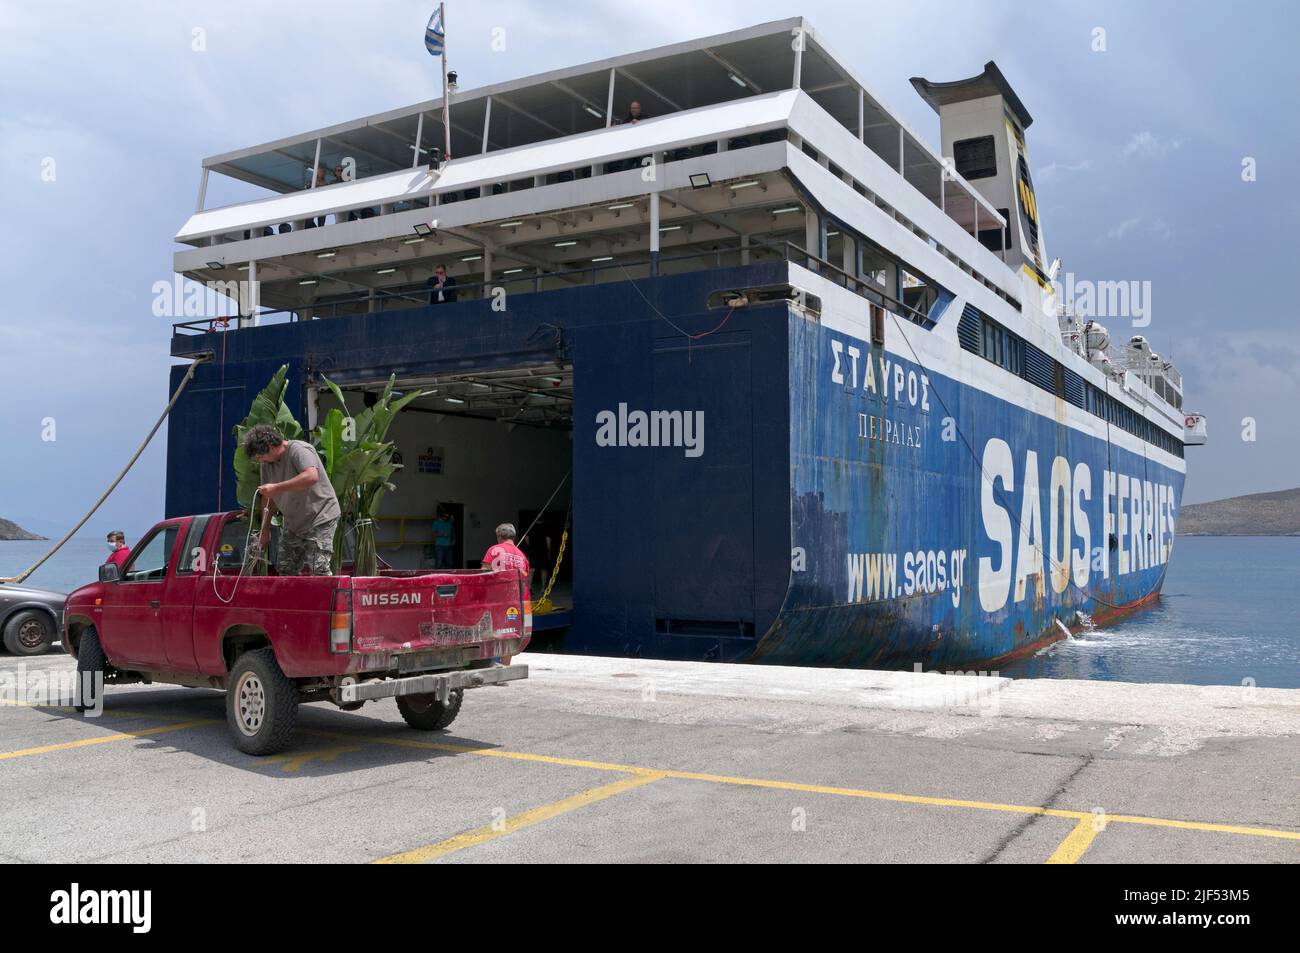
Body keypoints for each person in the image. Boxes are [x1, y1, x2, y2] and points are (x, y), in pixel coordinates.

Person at [243, 424, 341, 575]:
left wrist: (276, 488)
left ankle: (327, 597)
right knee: (285, 568)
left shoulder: (299, 450)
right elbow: (267, 498)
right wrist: (265, 529)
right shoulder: (266, 465)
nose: (259, 459)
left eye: (260, 454)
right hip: (294, 522)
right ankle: (296, 598)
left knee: (318, 568)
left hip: (320, 516)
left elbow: (311, 476)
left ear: (270, 446)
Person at [482, 523, 530, 673]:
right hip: (516, 600)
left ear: (499, 536)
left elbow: (484, 572)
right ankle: (504, 671)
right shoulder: (522, 556)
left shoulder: (494, 550)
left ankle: (489, 666)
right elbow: (526, 579)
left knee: (490, 631)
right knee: (509, 633)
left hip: (496, 599)